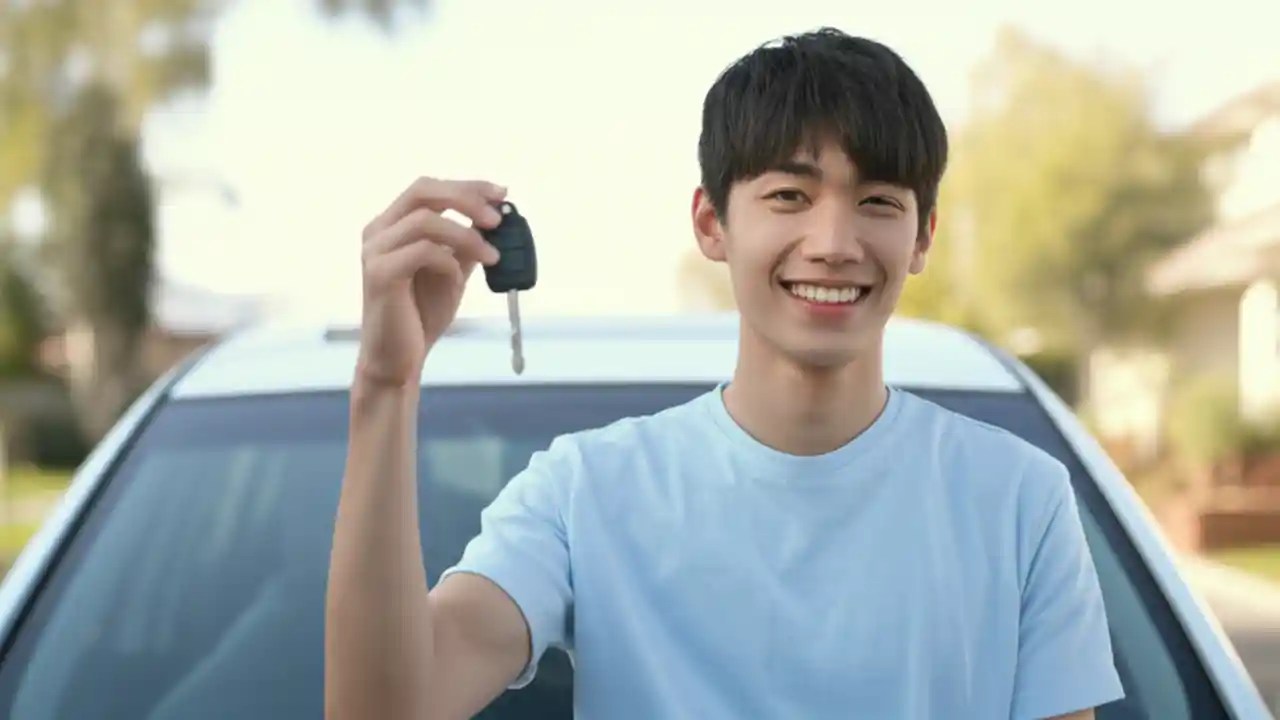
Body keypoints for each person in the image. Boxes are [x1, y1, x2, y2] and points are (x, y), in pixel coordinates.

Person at [325, 27, 1125, 720]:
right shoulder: (586, 492)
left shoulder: (1021, 499)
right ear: (713, 223)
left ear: (922, 238)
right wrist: (384, 389)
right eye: (789, 195)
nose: (833, 241)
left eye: (878, 201)